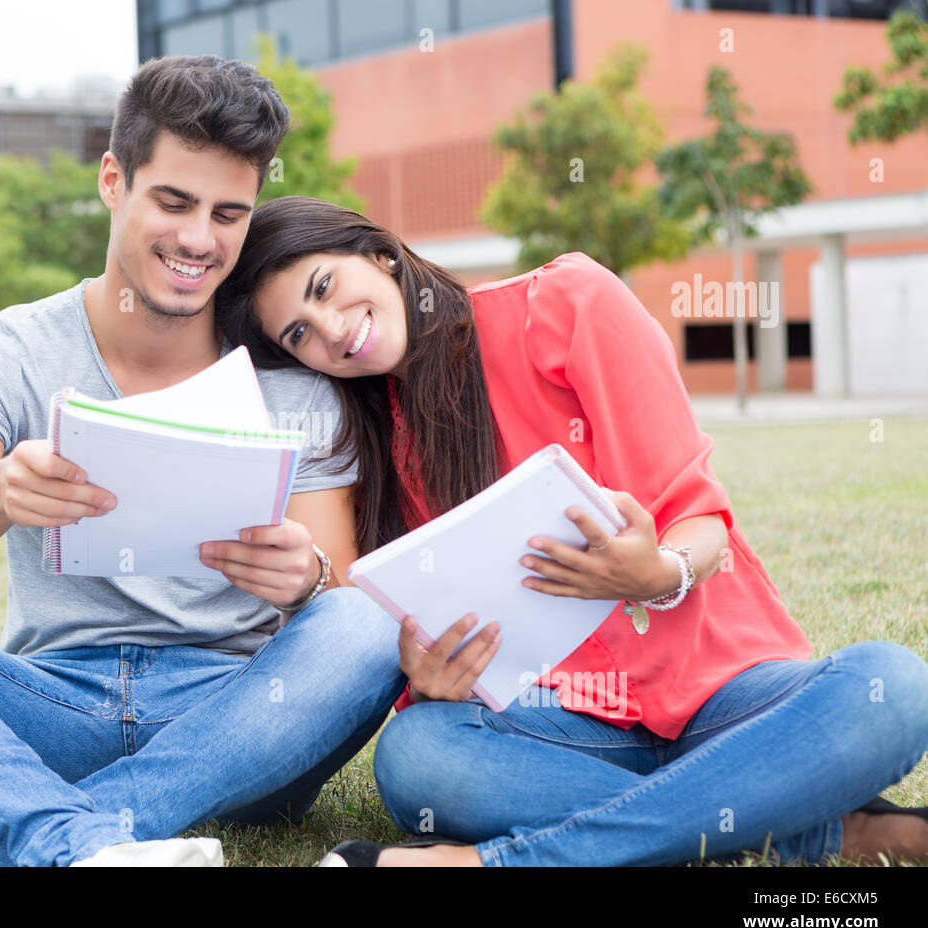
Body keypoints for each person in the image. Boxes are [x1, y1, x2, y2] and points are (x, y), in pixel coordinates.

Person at [0, 58, 406, 867]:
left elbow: (337, 600)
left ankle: (18, 842)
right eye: (174, 201)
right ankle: (82, 845)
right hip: (52, 707)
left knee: (366, 620)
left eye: (229, 213)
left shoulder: (295, 385)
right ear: (113, 180)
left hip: (236, 726)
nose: (200, 240)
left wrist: (308, 579)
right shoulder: (9, 353)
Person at [216, 194, 928, 867]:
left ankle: (500, 861)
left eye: (322, 287)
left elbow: (700, 518)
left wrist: (658, 573)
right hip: (565, 727)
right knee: (417, 758)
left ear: (378, 254)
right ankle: (806, 828)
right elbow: (426, 634)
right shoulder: (370, 438)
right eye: (300, 335)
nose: (334, 330)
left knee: (892, 686)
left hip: (721, 694)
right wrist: (433, 680)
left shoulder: (564, 303)